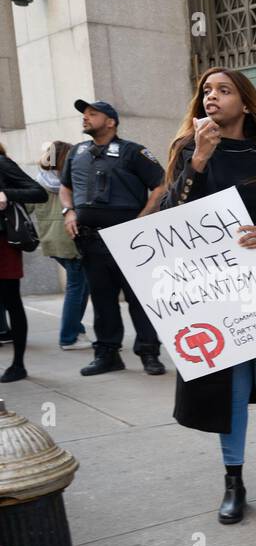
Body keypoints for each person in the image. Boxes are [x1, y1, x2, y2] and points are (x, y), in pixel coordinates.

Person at [162, 67, 256, 525]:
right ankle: (234, 482)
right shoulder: (189, 153)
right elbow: (169, 217)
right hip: (214, 291)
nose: (212, 97)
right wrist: (198, 161)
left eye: (223, 90)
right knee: (226, 388)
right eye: (206, 91)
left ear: (246, 103)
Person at [59, 99, 167, 376]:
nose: (85, 118)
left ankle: (149, 353)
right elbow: (65, 187)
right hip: (91, 241)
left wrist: (142, 219)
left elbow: (160, 185)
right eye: (84, 114)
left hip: (128, 240)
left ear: (110, 121)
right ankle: (107, 354)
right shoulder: (77, 152)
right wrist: (68, 212)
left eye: (92, 114)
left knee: (139, 300)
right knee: (103, 300)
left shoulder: (133, 152)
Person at [30, 141, 90, 351]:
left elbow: (27, 207)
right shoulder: (70, 182)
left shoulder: (38, 182)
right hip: (70, 240)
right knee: (77, 288)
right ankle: (68, 337)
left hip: (51, 241)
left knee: (81, 286)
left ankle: (76, 329)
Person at [0, 144, 47, 382]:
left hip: (3, 246)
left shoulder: (2, 163)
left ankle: (18, 364)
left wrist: (7, 194)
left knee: (11, 302)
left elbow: (39, 192)